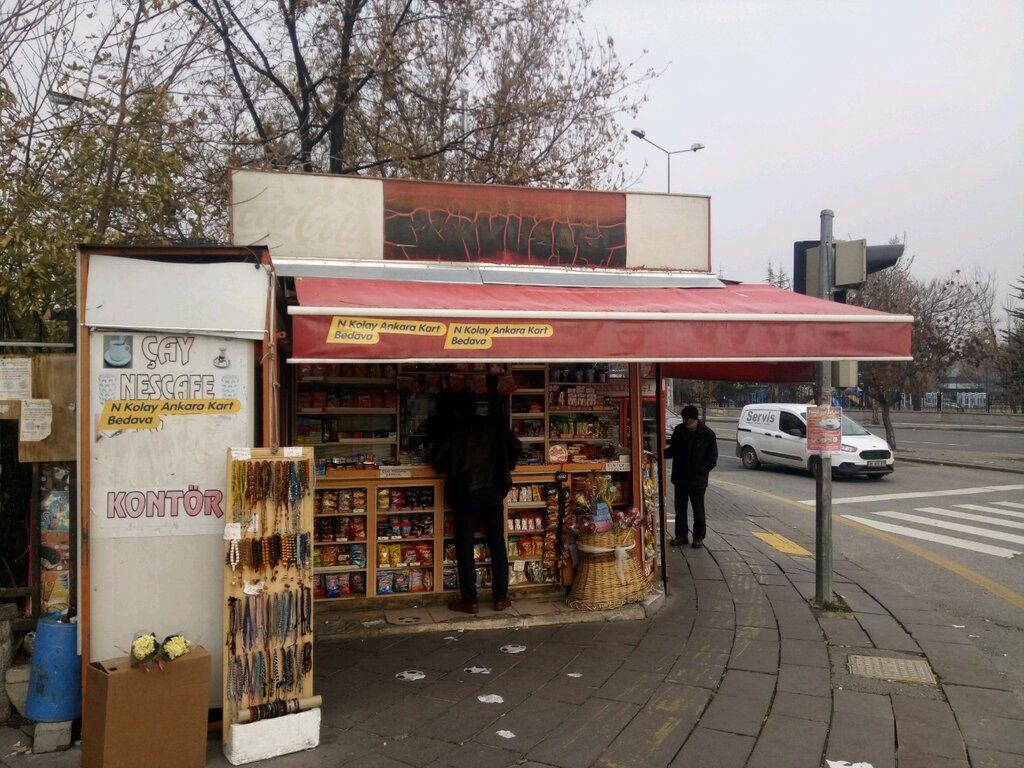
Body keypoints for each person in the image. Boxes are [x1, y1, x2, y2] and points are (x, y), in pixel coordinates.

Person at [431, 390, 522, 613]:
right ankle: (500, 597)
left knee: (464, 545)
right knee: (497, 543)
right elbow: (516, 447)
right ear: (476, 406)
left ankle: (470, 600)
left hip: (466, 493)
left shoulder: (454, 428)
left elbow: (437, 460)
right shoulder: (493, 425)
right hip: (493, 490)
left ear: (455, 409)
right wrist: (504, 465)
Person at [665, 404, 718, 549]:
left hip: (697, 480)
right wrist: (660, 454)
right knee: (680, 508)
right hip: (680, 477)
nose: (684, 421)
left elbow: (712, 458)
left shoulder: (708, 434)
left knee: (698, 509)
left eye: (687, 418)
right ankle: (681, 536)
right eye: (683, 418)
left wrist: (701, 470)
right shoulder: (679, 430)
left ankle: (698, 537)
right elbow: (673, 450)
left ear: (694, 419)